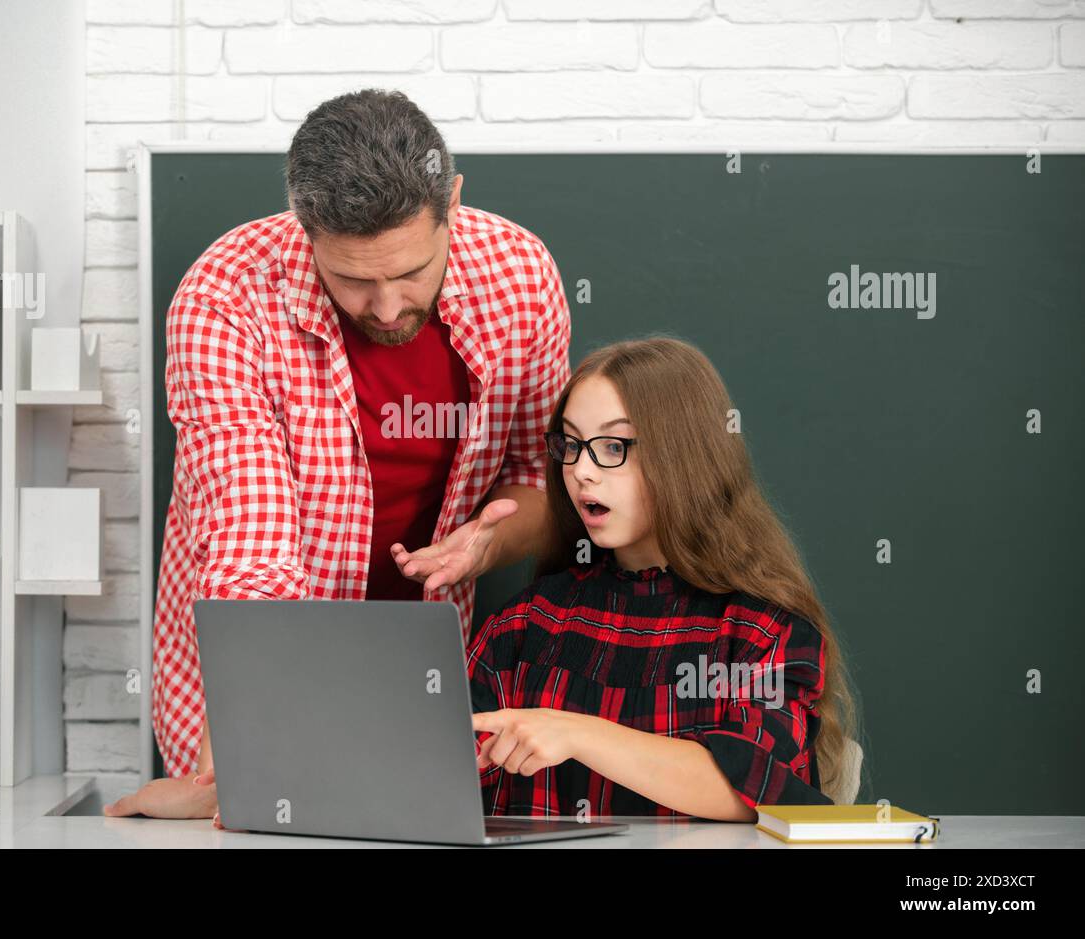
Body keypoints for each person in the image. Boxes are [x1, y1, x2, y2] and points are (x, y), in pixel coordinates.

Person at [105, 89, 570, 821]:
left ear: (452, 202)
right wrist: (255, 746)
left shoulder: (521, 278)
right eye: (354, 279)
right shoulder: (225, 296)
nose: (387, 308)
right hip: (252, 674)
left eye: (412, 272)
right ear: (305, 226)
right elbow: (251, 551)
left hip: (424, 680)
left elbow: (539, 482)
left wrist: (487, 544)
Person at [468, 336, 859, 819]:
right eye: (570, 444)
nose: (581, 471)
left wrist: (575, 733)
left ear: (685, 456)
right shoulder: (526, 622)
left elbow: (765, 790)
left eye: (613, 446)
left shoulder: (762, 628)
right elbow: (439, 773)